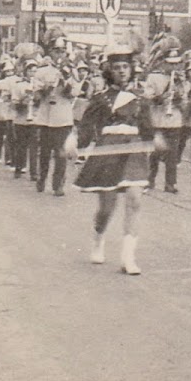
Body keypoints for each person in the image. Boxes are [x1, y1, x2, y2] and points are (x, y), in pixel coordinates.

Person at [68, 44, 165, 275]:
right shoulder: (100, 99)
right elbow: (86, 129)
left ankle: (128, 258)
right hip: (108, 151)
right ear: (109, 71)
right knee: (107, 208)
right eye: (117, 67)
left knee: (134, 200)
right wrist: (74, 142)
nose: (122, 71)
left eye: (125, 67)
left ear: (131, 69)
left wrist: (156, 138)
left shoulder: (140, 99)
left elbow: (147, 129)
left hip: (133, 152)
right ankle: (98, 240)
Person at [32, 42, 77, 196]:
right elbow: (37, 96)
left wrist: (66, 81)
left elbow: (74, 94)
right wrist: (47, 88)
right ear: (51, 52)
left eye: (62, 52)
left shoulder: (71, 71)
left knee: (61, 153)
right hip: (45, 118)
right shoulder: (41, 72)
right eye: (56, 51)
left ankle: (58, 185)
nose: (59, 55)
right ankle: (41, 178)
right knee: (45, 153)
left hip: (63, 118)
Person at [145, 49, 188, 194]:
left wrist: (179, 98)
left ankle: (170, 183)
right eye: (171, 64)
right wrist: (161, 97)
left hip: (174, 120)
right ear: (164, 63)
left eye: (176, 64)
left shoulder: (180, 80)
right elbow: (147, 97)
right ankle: (149, 180)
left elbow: (185, 102)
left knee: (172, 154)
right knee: (155, 153)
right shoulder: (153, 77)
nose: (174, 67)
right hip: (158, 120)